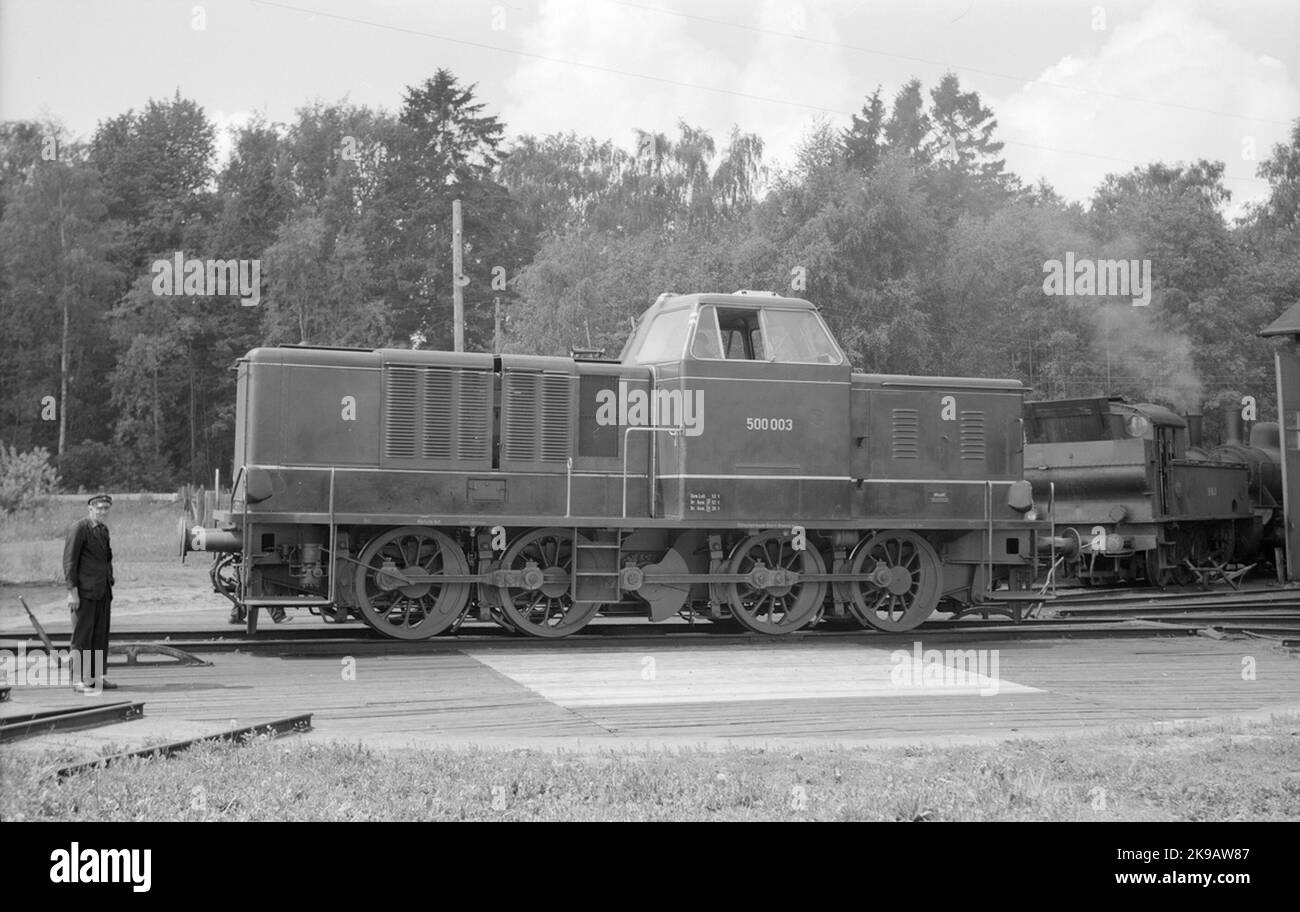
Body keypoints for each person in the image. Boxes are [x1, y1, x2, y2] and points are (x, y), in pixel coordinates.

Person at [63, 493, 116, 692]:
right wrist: (72, 591)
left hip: (102, 591)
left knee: (99, 636)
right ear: (90, 508)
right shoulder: (79, 528)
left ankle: (94, 678)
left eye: (106, 508)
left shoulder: (102, 530)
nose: (103, 511)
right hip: (83, 592)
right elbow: (69, 562)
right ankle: (77, 680)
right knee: (82, 636)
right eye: (99, 508)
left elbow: (106, 560)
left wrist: (109, 581)